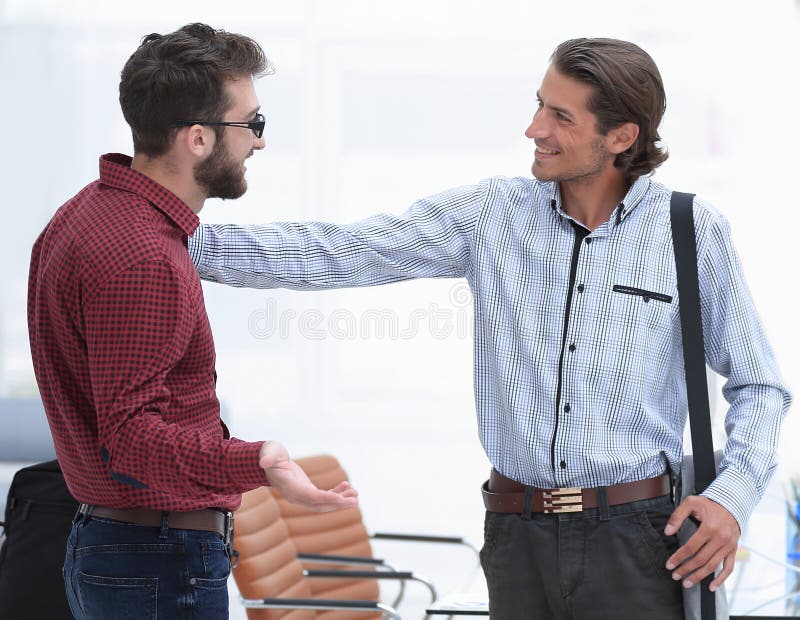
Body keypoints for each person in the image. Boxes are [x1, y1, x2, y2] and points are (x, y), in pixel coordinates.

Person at [186, 38, 791, 618]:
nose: (535, 130)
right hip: (515, 535)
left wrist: (730, 500)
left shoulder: (689, 231)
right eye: (538, 105)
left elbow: (760, 384)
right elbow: (342, 251)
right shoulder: (490, 216)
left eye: (561, 117)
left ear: (621, 136)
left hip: (639, 540)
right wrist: (176, 241)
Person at [27, 23, 357, 620]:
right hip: (156, 559)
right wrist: (258, 461)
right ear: (199, 138)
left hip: (127, 551)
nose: (259, 142)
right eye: (252, 124)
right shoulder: (144, 255)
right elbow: (129, 435)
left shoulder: (83, 213)